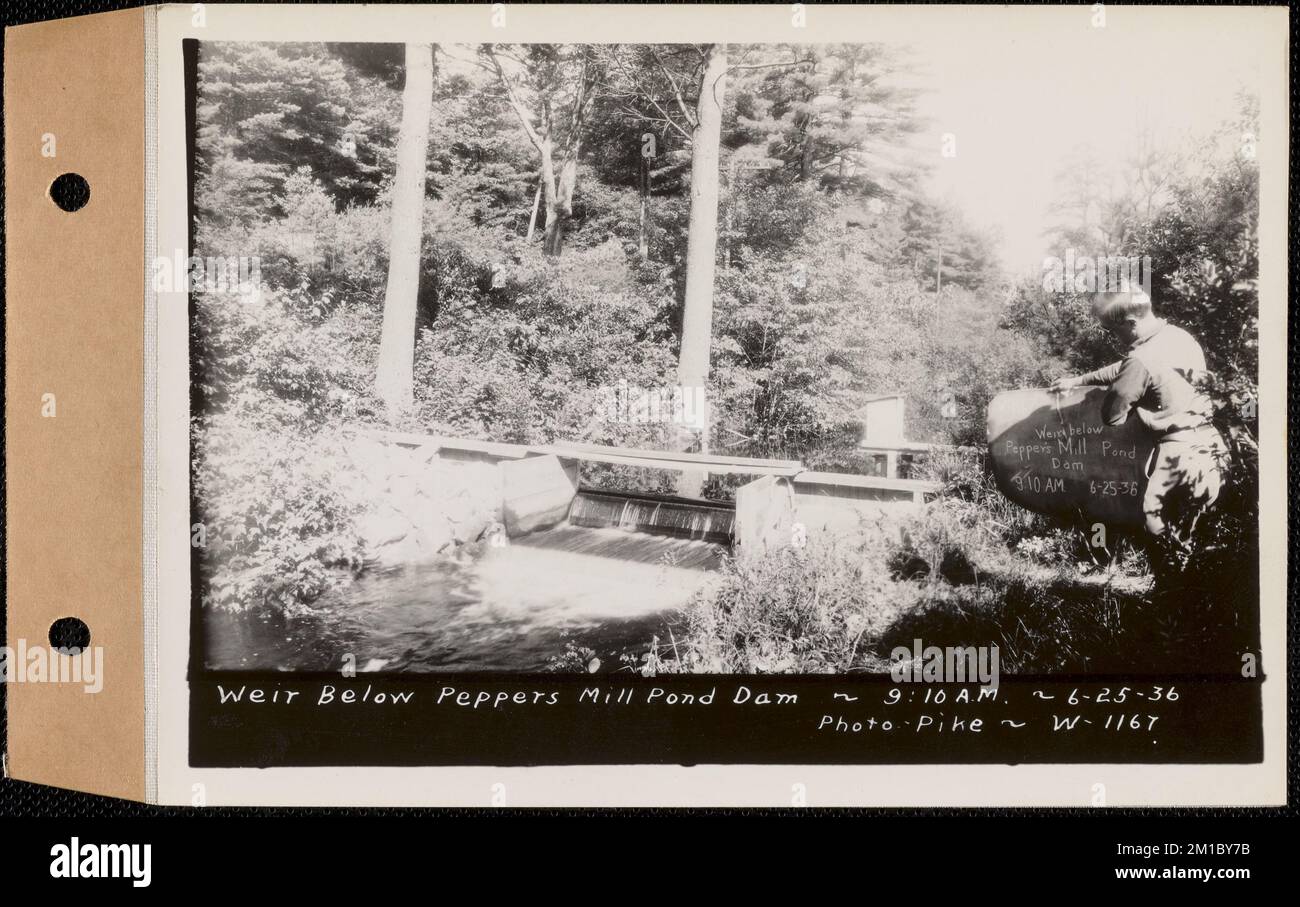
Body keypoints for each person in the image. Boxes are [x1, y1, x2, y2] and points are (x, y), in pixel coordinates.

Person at [1049, 288, 1228, 574]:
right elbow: (1128, 366)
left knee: (1154, 522)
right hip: (1213, 446)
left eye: (1112, 330)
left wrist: (1121, 401)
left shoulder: (1140, 359)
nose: (1114, 337)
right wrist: (1080, 379)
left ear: (1131, 323)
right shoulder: (1179, 337)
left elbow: (1113, 415)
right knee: (1193, 529)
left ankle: (1171, 595)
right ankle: (1196, 593)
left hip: (1177, 451)